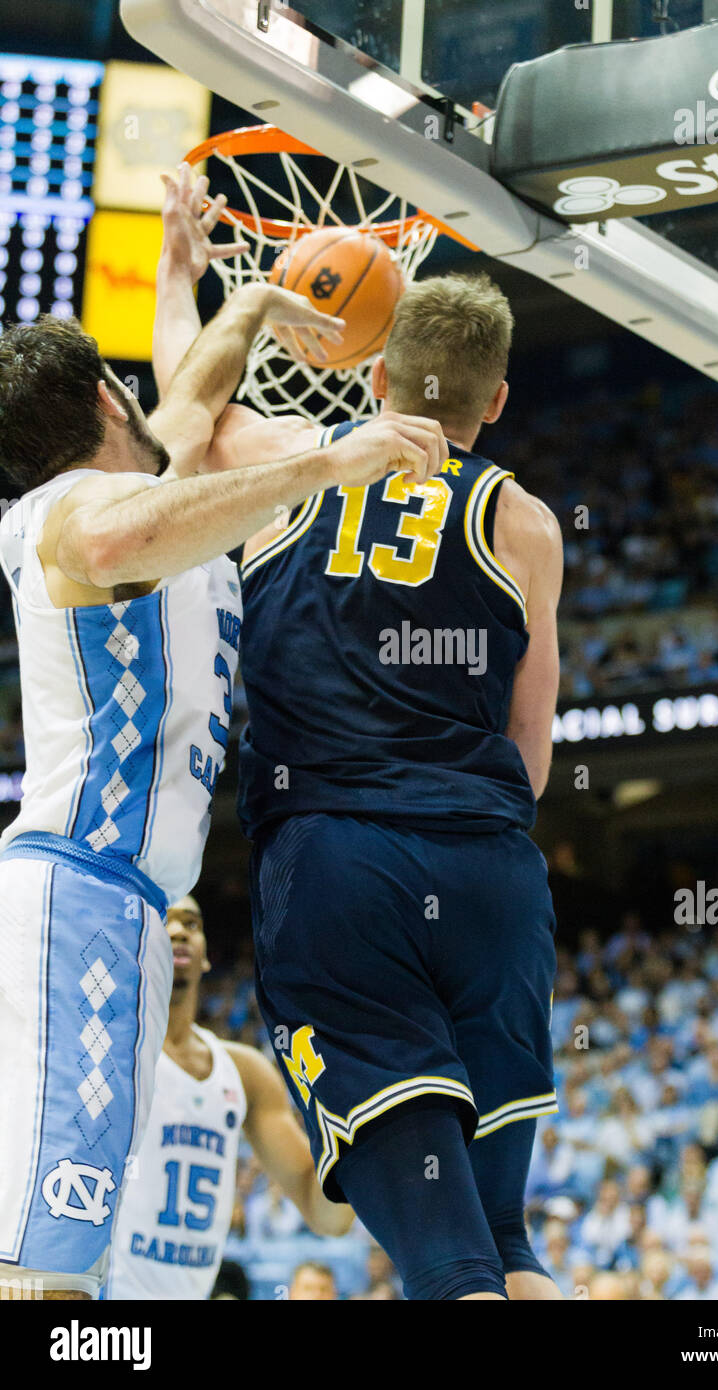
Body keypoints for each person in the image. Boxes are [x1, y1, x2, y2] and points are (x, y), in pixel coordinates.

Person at [0, 167, 446, 1300]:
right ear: (108, 401)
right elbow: (118, 538)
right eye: (130, 393)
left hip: (125, 904)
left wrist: (215, 293)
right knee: (49, 1262)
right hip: (80, 888)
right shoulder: (67, 514)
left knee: (64, 1248)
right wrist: (331, 458)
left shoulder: (151, 481)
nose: (160, 406)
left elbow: (188, 404)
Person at [156, 229, 564, 1298]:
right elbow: (532, 740)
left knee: (446, 1263)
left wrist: (186, 277)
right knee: (506, 1251)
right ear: (499, 400)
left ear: (375, 372)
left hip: (341, 863)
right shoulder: (522, 521)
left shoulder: (289, 459)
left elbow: (180, 408)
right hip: (490, 874)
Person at [106, 895, 353, 1299]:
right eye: (164, 921)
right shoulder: (111, 1055)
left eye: (192, 922)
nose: (179, 931)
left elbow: (326, 1215)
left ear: (205, 957)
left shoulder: (246, 1071)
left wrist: (354, 1129)